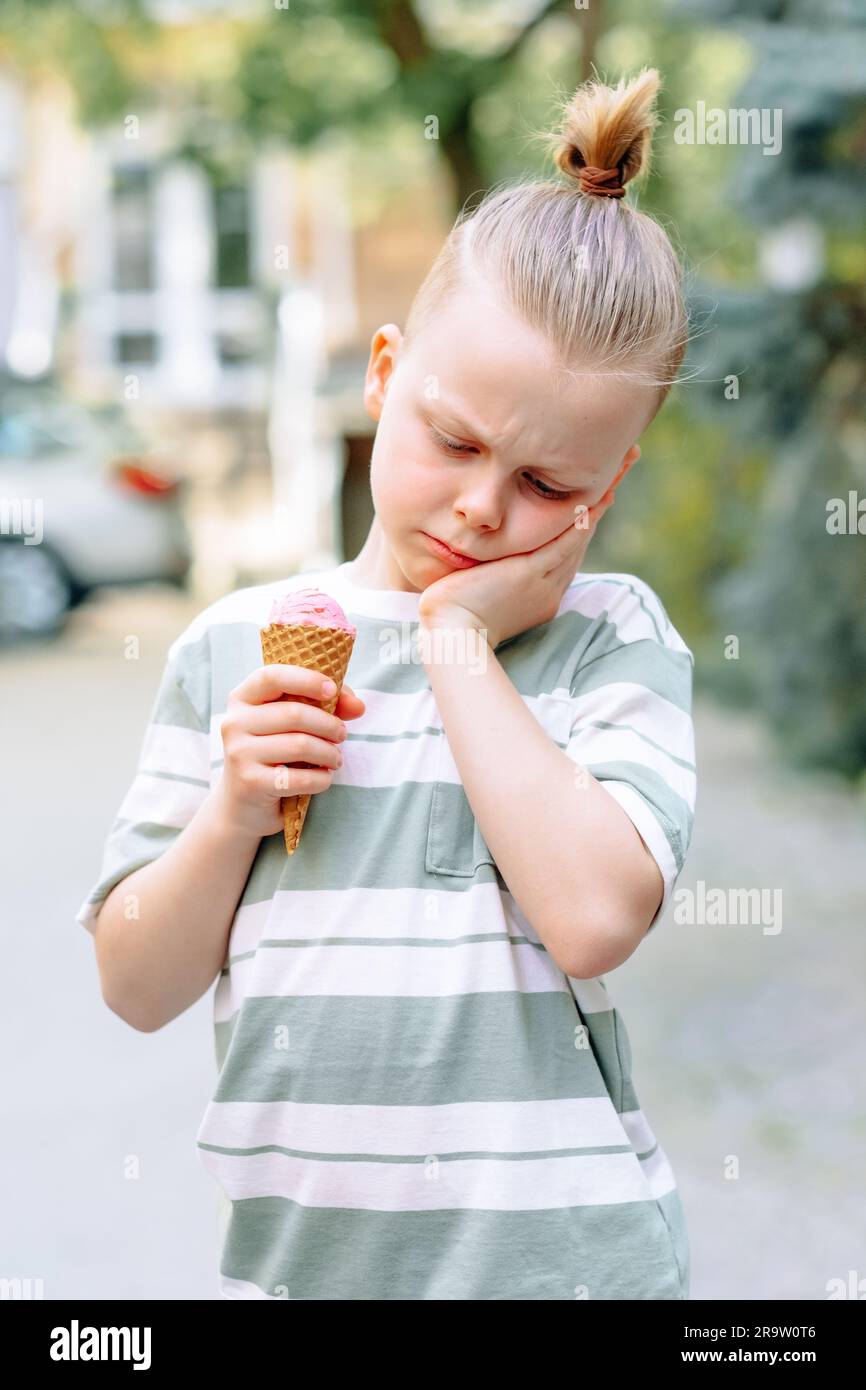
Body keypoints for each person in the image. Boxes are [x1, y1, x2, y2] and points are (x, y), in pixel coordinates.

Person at [77, 66, 696, 1300]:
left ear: (606, 488)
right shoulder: (236, 646)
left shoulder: (608, 637)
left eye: (547, 485)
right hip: (303, 1276)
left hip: (564, 1275)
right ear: (381, 375)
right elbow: (135, 984)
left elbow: (591, 917)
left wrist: (458, 643)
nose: (480, 506)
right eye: (454, 440)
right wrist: (230, 814)